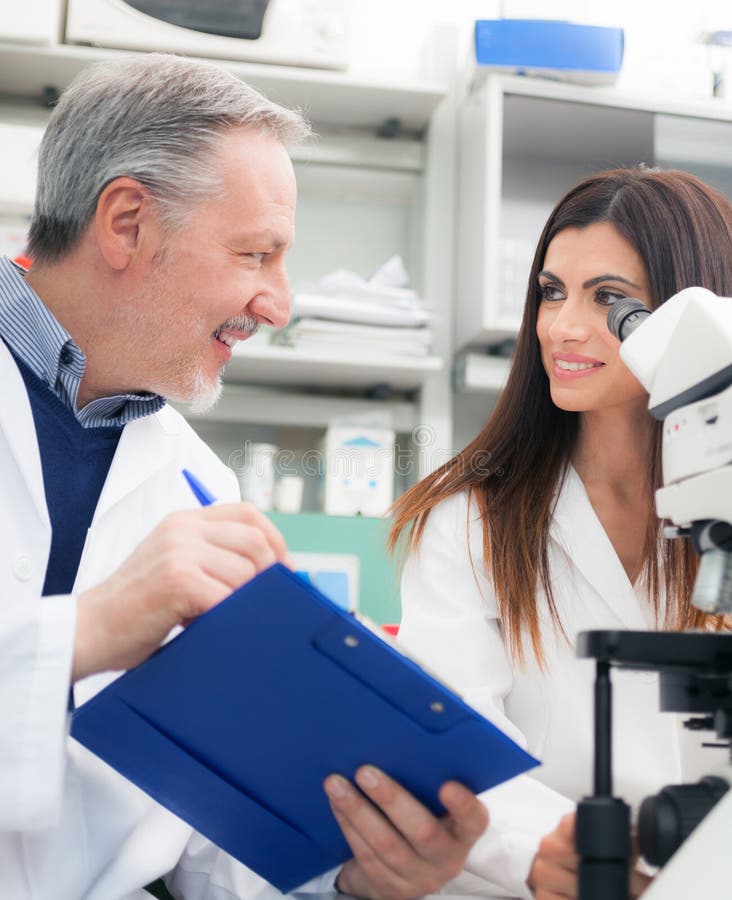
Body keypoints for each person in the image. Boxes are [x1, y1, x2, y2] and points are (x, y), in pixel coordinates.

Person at [0, 53, 488, 899]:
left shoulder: (197, 482)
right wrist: (86, 631)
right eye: (256, 253)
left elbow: (205, 838)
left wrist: (355, 872)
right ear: (126, 223)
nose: (278, 304)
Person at [389, 166, 732, 899]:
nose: (562, 326)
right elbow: (455, 742)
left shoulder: (715, 512)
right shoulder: (471, 520)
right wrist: (554, 854)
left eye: (609, 298)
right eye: (551, 291)